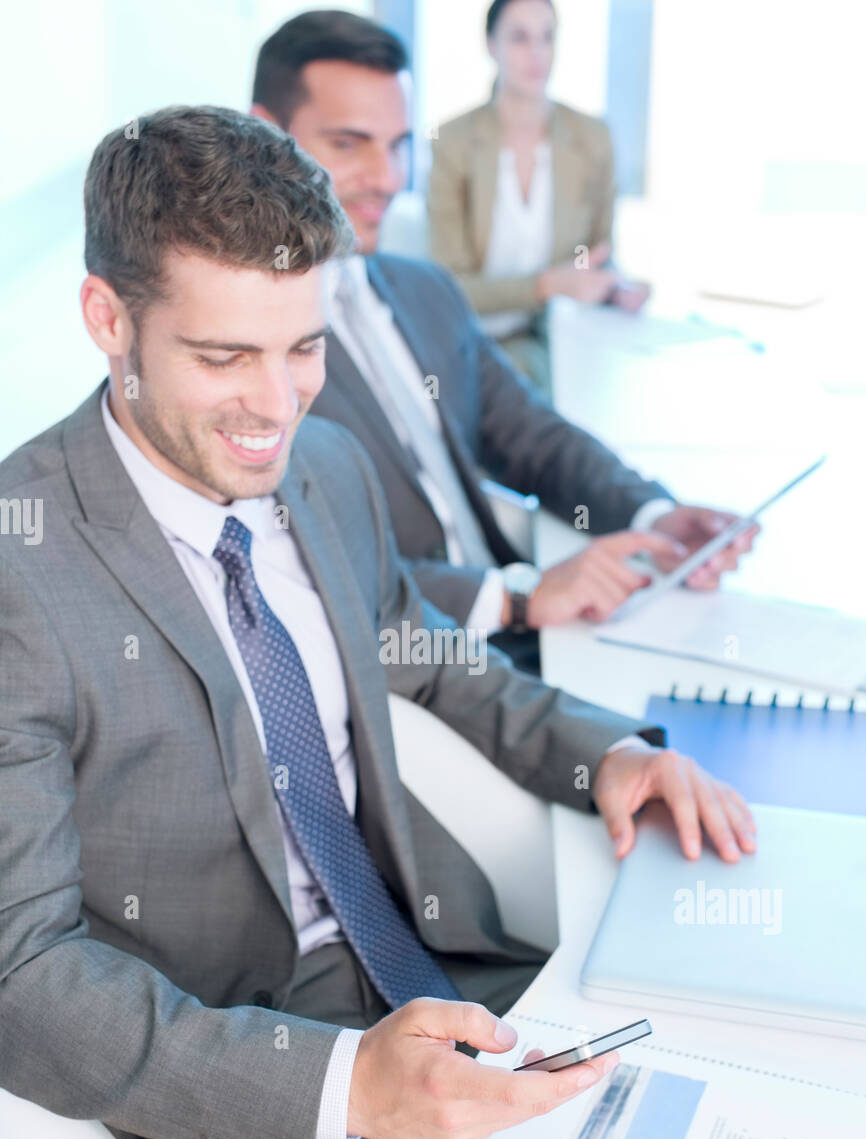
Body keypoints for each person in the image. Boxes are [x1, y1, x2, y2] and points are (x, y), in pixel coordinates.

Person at [0, 107, 755, 1139]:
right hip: (242, 1093)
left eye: (300, 348)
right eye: (221, 357)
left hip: (436, 971)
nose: (274, 405)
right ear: (108, 320)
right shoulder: (19, 568)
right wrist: (344, 1084)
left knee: (728, 1123)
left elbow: (429, 655)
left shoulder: (327, 467)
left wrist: (599, 755)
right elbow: (21, 973)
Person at [251, 9, 756, 675]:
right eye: (350, 144)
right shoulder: (249, 350)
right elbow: (304, 570)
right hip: (428, 665)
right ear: (264, 136)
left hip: (529, 629)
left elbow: (531, 435)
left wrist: (652, 513)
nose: (388, 177)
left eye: (399, 144)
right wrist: (517, 598)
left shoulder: (420, 290)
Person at [427, 0, 650, 395]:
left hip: (560, 335)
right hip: (474, 337)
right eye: (520, 38)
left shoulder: (592, 139)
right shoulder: (454, 142)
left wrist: (614, 287)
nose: (537, 53)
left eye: (547, 37)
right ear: (491, 45)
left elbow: (596, 253)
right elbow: (450, 290)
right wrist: (547, 285)